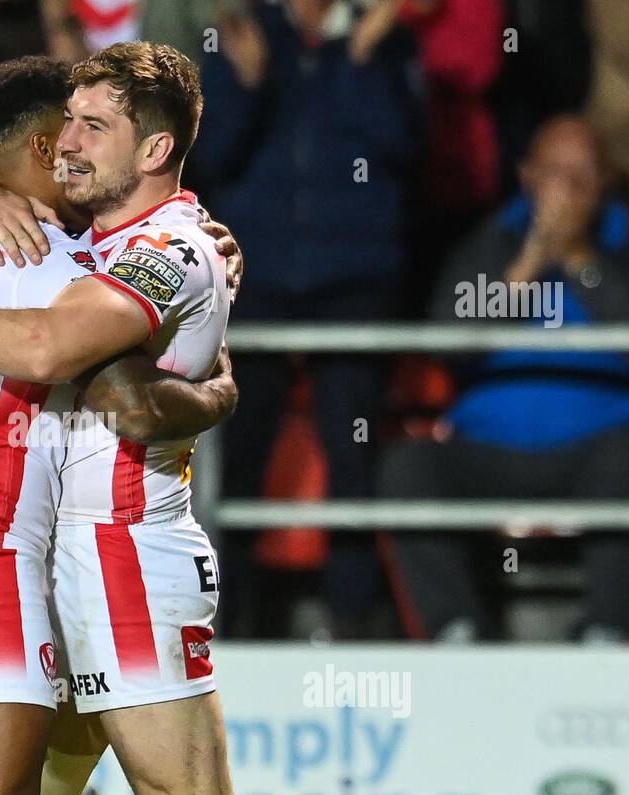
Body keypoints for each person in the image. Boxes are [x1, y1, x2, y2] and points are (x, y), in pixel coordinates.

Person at [0, 42, 260, 795]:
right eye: (67, 128)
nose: (72, 146)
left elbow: (82, 371)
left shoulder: (165, 248)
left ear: (154, 151)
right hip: (27, 559)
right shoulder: (69, 247)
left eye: (94, 127)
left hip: (114, 561)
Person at [378, 116, 629, 645]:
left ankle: (606, 633)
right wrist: (530, 261)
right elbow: (447, 339)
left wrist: (579, 259)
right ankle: (458, 632)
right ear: (527, 176)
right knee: (409, 467)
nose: (568, 189)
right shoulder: (487, 242)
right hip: (490, 445)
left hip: (601, 444)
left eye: (583, 175)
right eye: (555, 173)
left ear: (608, 179)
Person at [200, 0, 424, 640]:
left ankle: (354, 616)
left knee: (351, 450)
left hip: (356, 279)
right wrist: (246, 83)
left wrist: (359, 61)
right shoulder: (241, 37)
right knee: (235, 455)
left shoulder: (384, 44)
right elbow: (208, 158)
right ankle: (224, 621)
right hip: (258, 279)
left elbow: (402, 147)